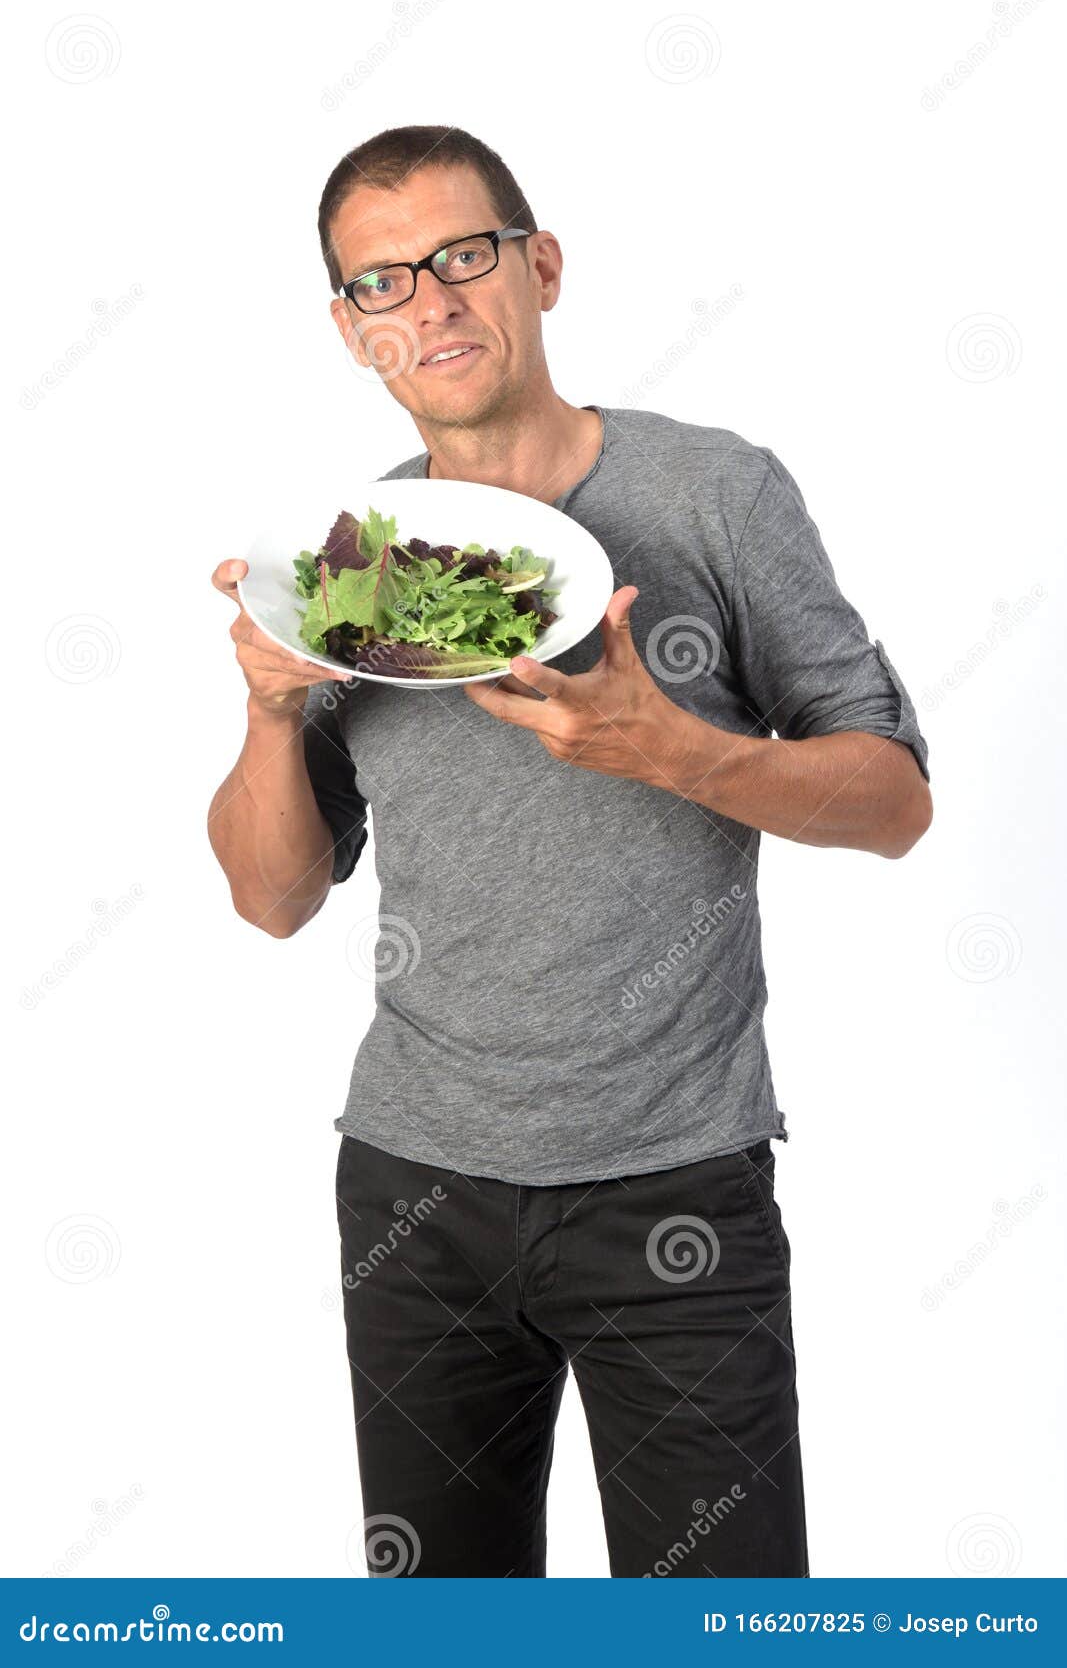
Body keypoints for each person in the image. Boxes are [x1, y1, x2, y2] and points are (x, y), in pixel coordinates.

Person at [208, 126, 932, 1579]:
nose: (433, 303)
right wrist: (271, 712)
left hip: (677, 1188)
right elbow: (275, 894)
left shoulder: (716, 494)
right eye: (384, 283)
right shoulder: (362, 559)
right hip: (414, 1191)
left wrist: (679, 752)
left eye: (464, 256)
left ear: (539, 265)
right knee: (445, 1624)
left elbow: (896, 796)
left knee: (721, 1625)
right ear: (352, 330)